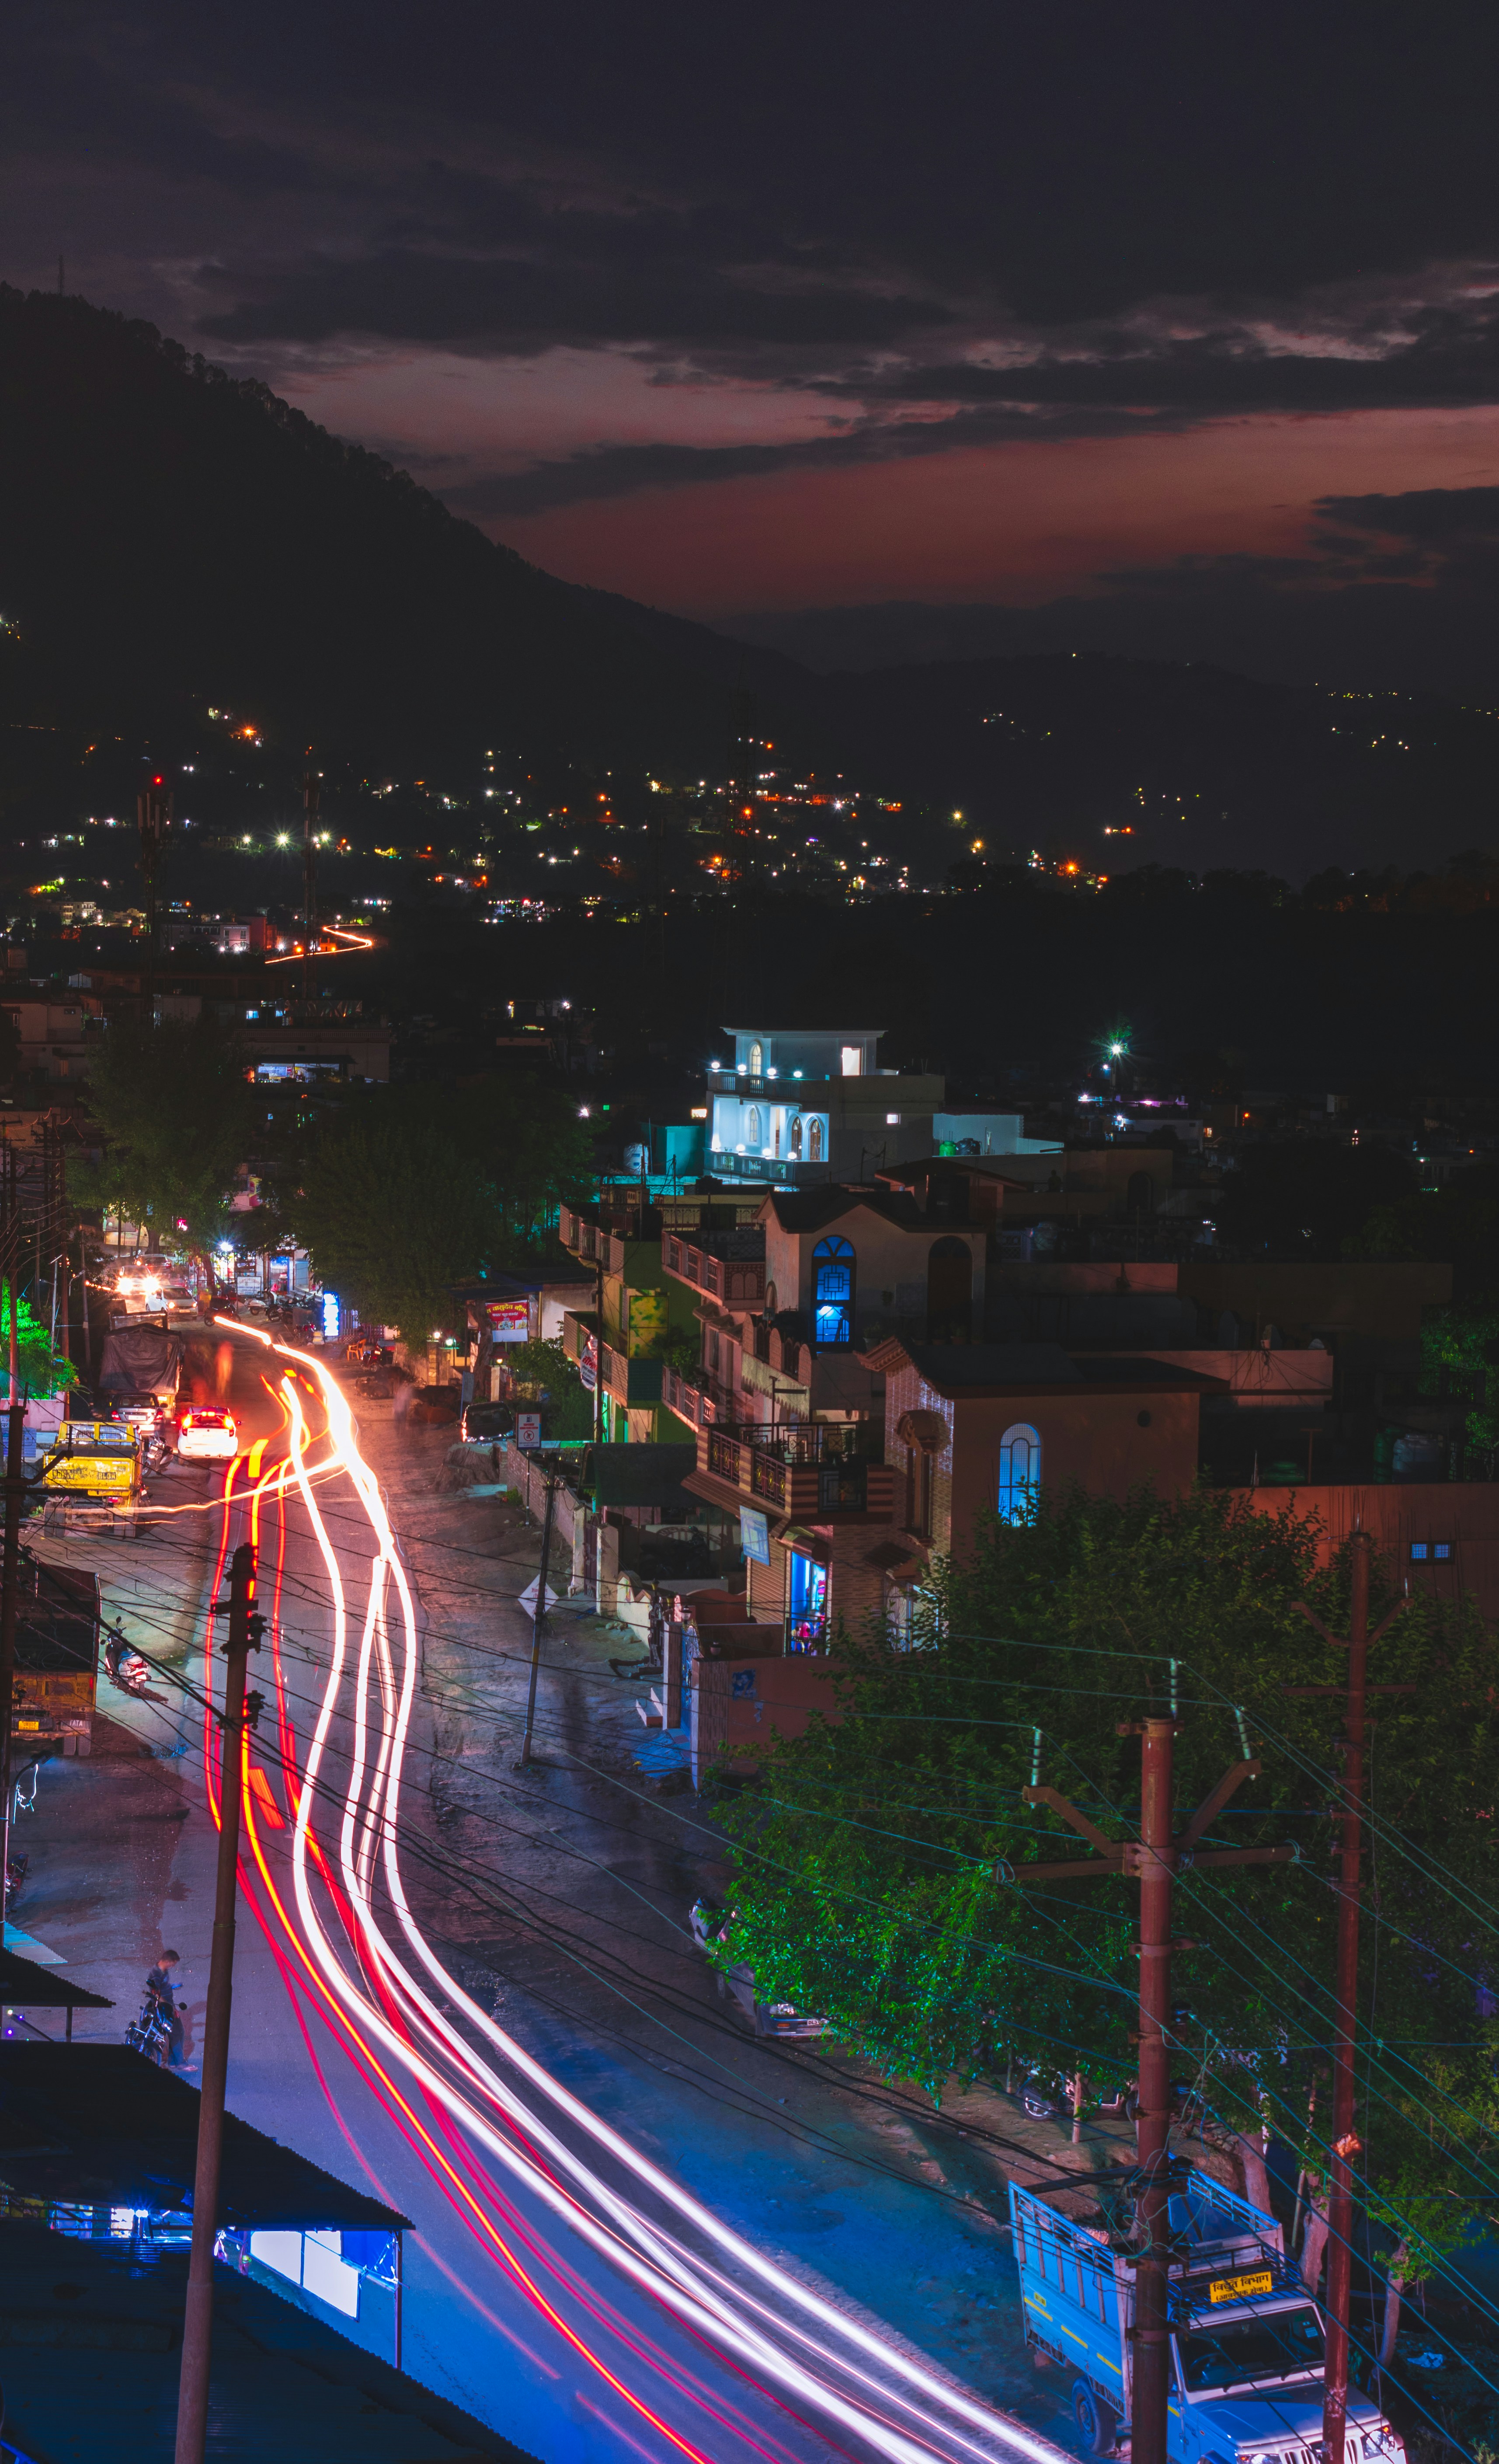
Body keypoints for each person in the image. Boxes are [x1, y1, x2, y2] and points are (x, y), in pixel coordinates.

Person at [145, 1950, 184, 2067]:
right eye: (173, 1964)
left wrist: (172, 1987)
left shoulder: (163, 1971)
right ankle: (179, 2062)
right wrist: (170, 2007)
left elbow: (163, 1987)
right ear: (167, 1961)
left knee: (179, 2032)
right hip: (164, 2008)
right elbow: (156, 1994)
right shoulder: (156, 1974)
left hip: (169, 2006)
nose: (173, 1966)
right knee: (176, 2033)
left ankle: (173, 2062)